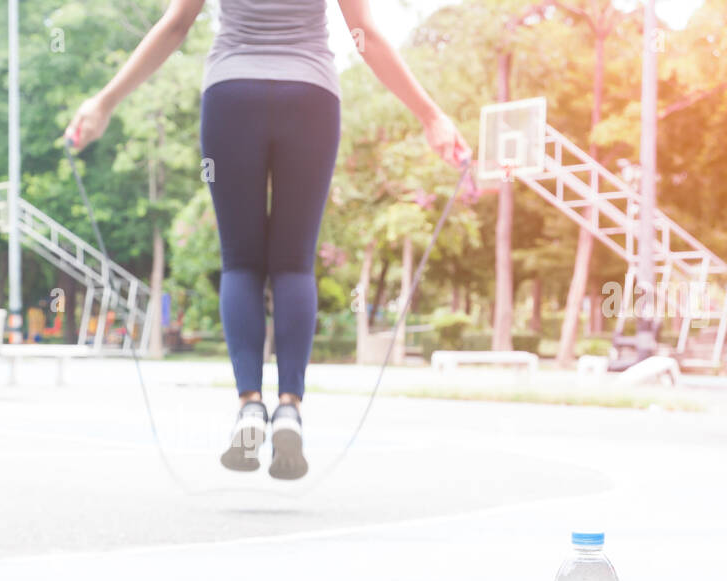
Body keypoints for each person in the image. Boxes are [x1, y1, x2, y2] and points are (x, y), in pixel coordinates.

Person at [67, 0, 470, 479]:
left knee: (241, 263)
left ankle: (250, 407)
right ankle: (290, 411)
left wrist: (104, 102)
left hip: (232, 95)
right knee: (294, 264)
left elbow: (176, 23)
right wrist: (430, 115)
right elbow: (364, 33)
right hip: (311, 97)